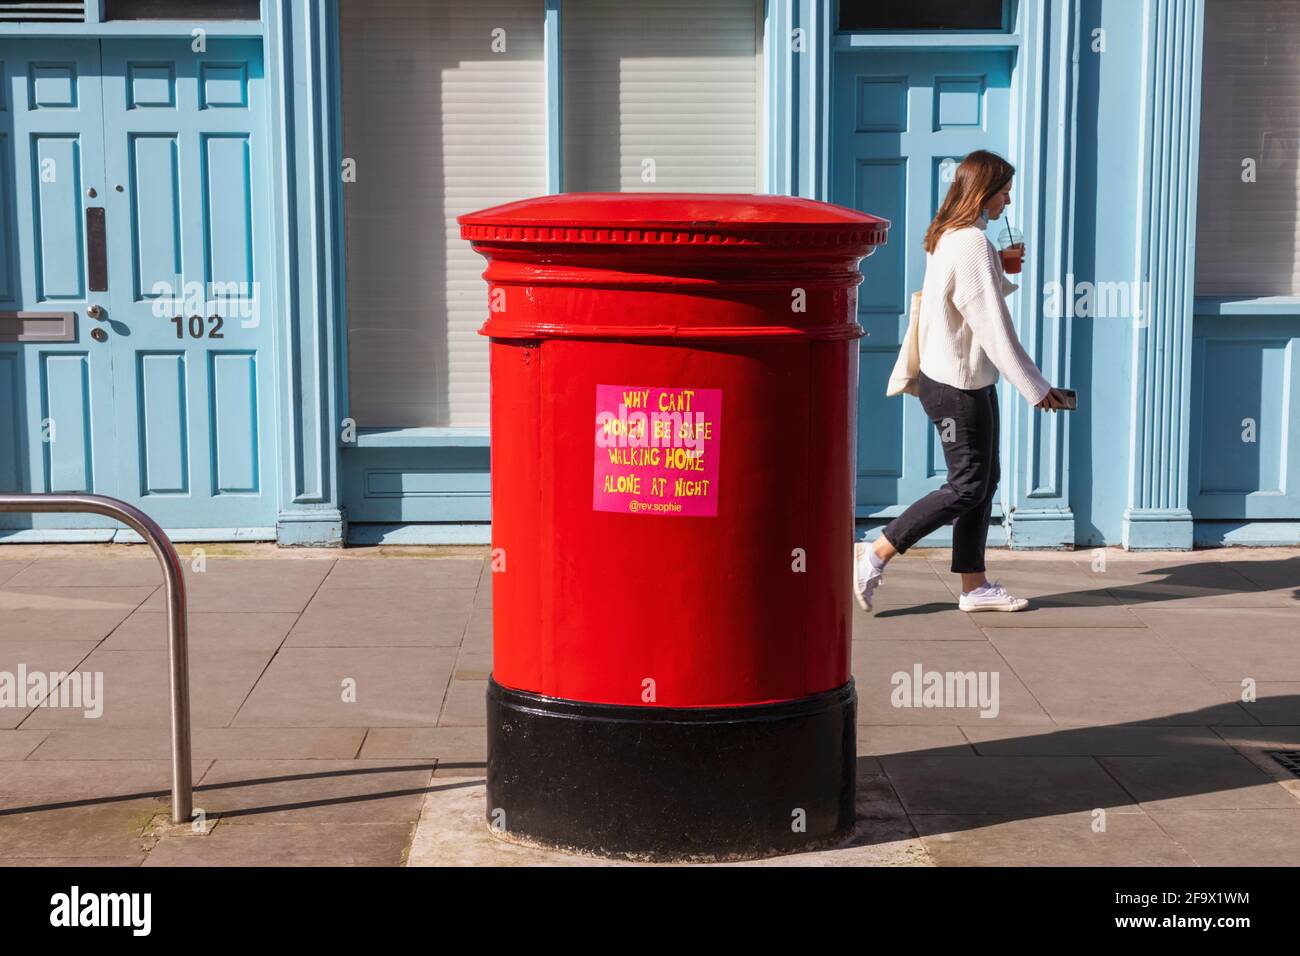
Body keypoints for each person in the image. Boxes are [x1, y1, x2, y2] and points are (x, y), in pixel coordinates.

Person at [854, 150, 1072, 613]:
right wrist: (1037, 388)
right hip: (957, 386)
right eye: (1004, 190)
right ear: (984, 192)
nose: (1008, 200)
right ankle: (876, 552)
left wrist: (1000, 263)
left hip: (964, 380)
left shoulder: (954, 237)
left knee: (984, 480)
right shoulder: (971, 243)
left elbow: (965, 300)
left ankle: (975, 586)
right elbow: (993, 328)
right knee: (968, 485)